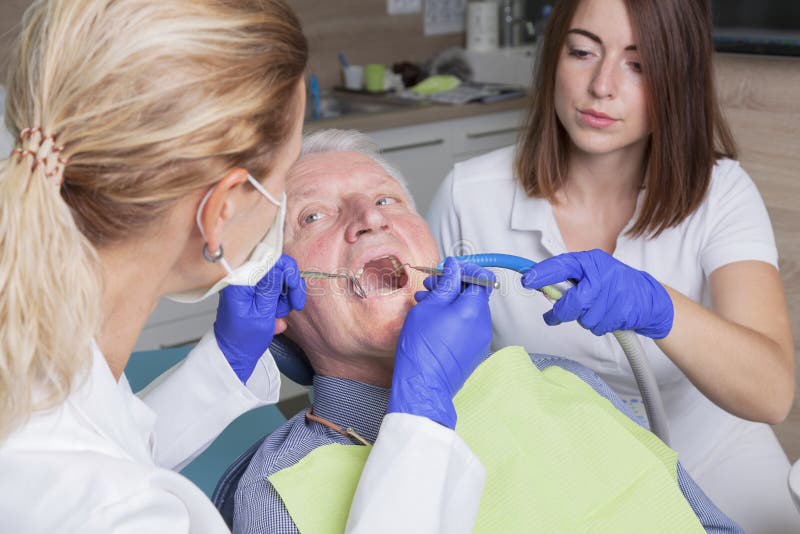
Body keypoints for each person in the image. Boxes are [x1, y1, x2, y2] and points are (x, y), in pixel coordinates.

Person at [0, 2, 489, 532]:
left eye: (388, 200)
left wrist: (224, 366)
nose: (369, 217)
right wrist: (421, 413)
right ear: (222, 210)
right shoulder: (124, 513)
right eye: (298, 199)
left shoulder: (52, 371)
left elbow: (105, 443)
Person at [232, 129, 741, 534]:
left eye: (387, 201)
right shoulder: (278, 494)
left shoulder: (559, 380)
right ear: (275, 297)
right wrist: (422, 397)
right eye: (313, 215)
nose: (369, 219)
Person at [426, 0, 798, 531]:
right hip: (552, 467)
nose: (602, 86)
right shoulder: (469, 195)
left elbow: (772, 392)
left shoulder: (722, 195)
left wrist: (661, 307)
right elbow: (417, 361)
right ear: (552, 57)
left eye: (638, 65)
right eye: (582, 52)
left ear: (678, 77)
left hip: (713, 455)